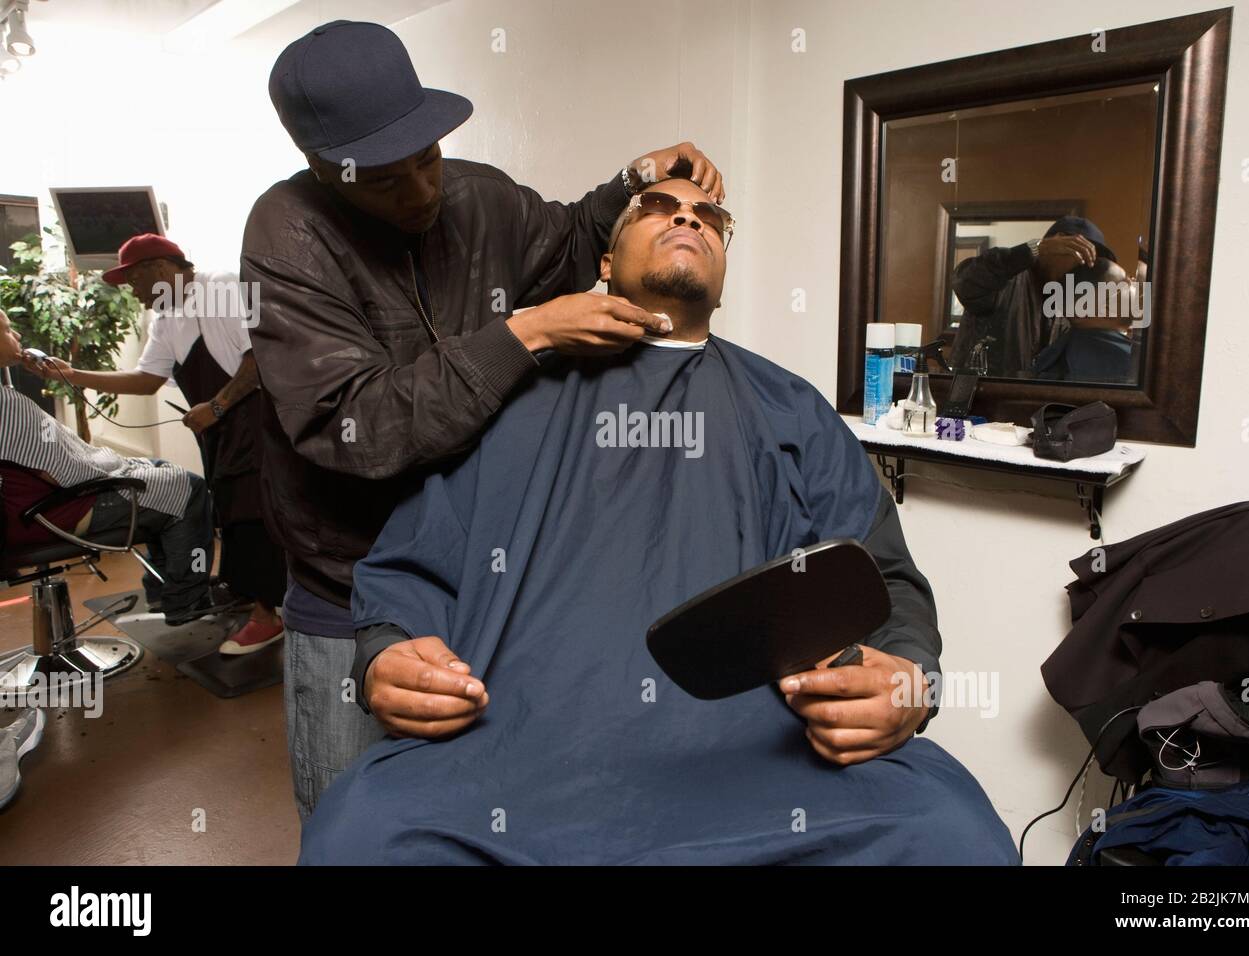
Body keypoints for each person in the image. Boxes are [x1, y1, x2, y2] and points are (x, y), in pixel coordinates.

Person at [298, 178, 1019, 864]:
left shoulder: (790, 408)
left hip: (758, 755)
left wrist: (908, 683)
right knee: (360, 831)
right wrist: (387, 655)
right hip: (515, 752)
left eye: (710, 217)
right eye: (658, 207)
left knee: (950, 832)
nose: (688, 219)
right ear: (605, 260)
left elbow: (886, 581)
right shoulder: (510, 391)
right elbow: (410, 568)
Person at [243, 19, 728, 821]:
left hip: (482, 587)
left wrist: (635, 178)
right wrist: (525, 335)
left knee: (483, 823)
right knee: (354, 827)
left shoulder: (475, 195)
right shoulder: (287, 239)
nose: (423, 190)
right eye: (388, 180)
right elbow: (358, 425)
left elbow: (570, 237)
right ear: (324, 170)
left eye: (428, 157)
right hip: (352, 590)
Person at [31, 235, 287, 654]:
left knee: (252, 515)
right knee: (232, 512)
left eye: (133, 280)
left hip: (255, 420)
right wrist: (72, 375)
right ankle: (250, 595)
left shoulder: (219, 286)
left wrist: (218, 407)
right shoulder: (166, 317)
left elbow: (258, 359)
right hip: (219, 428)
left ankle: (266, 617)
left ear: (160, 268)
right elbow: (146, 379)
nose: (131, 291)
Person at [2, 309, 215, 624]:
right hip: (59, 511)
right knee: (190, 488)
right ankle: (188, 601)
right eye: (7, 330)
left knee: (159, 470)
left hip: (26, 512)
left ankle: (162, 590)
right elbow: (70, 475)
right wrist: (120, 467)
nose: (18, 336)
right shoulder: (9, 406)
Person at [950, 215, 1131, 378]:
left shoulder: (1071, 299)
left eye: (1092, 261)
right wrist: (1033, 249)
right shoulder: (1005, 283)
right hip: (979, 402)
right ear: (1052, 247)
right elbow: (964, 281)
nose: (1084, 267)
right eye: (1080, 255)